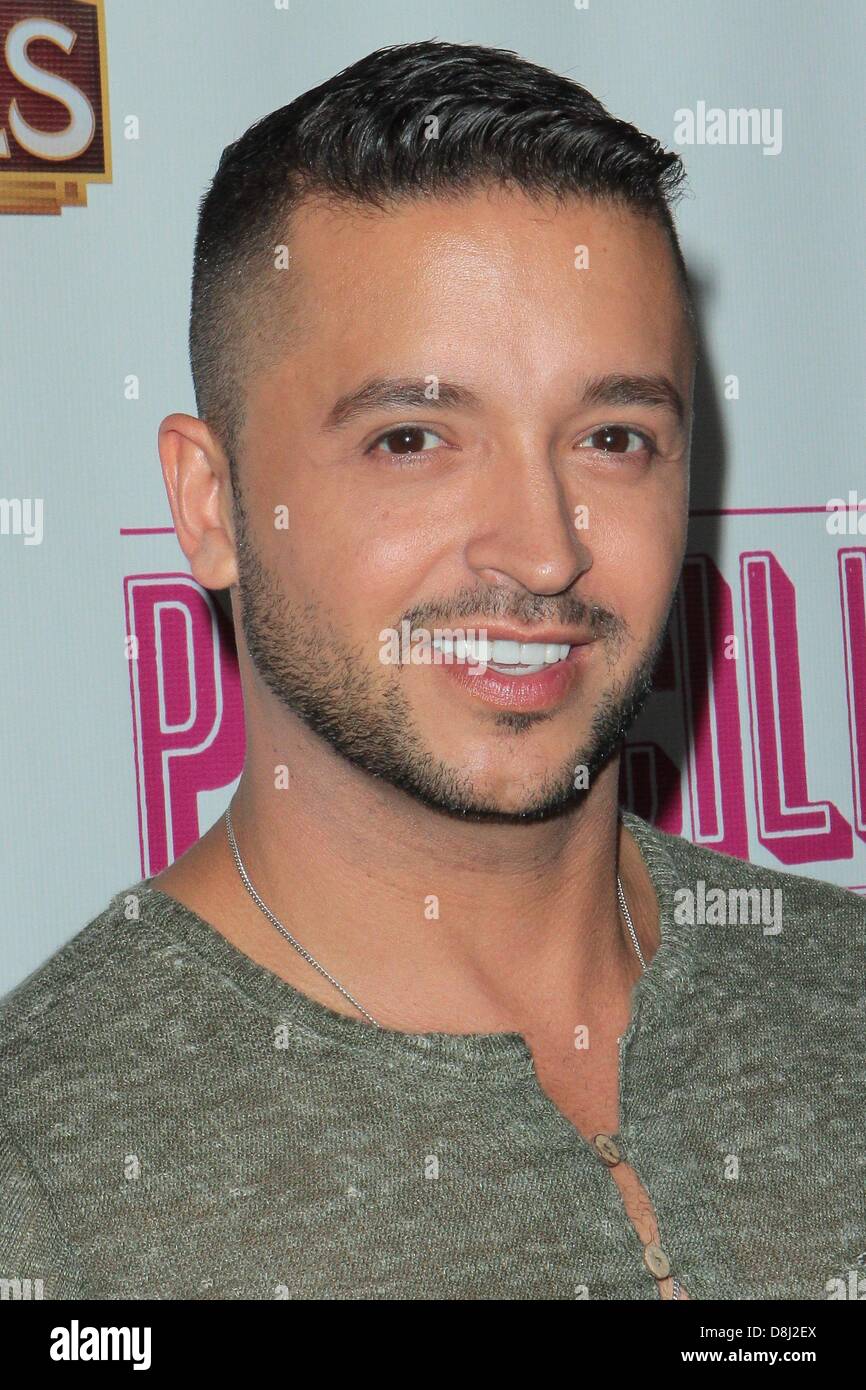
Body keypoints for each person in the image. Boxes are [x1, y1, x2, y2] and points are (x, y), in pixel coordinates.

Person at [1, 40, 862, 1302]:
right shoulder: (42, 1183)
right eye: (412, 438)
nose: (544, 547)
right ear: (211, 502)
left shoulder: (839, 989)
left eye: (612, 436)